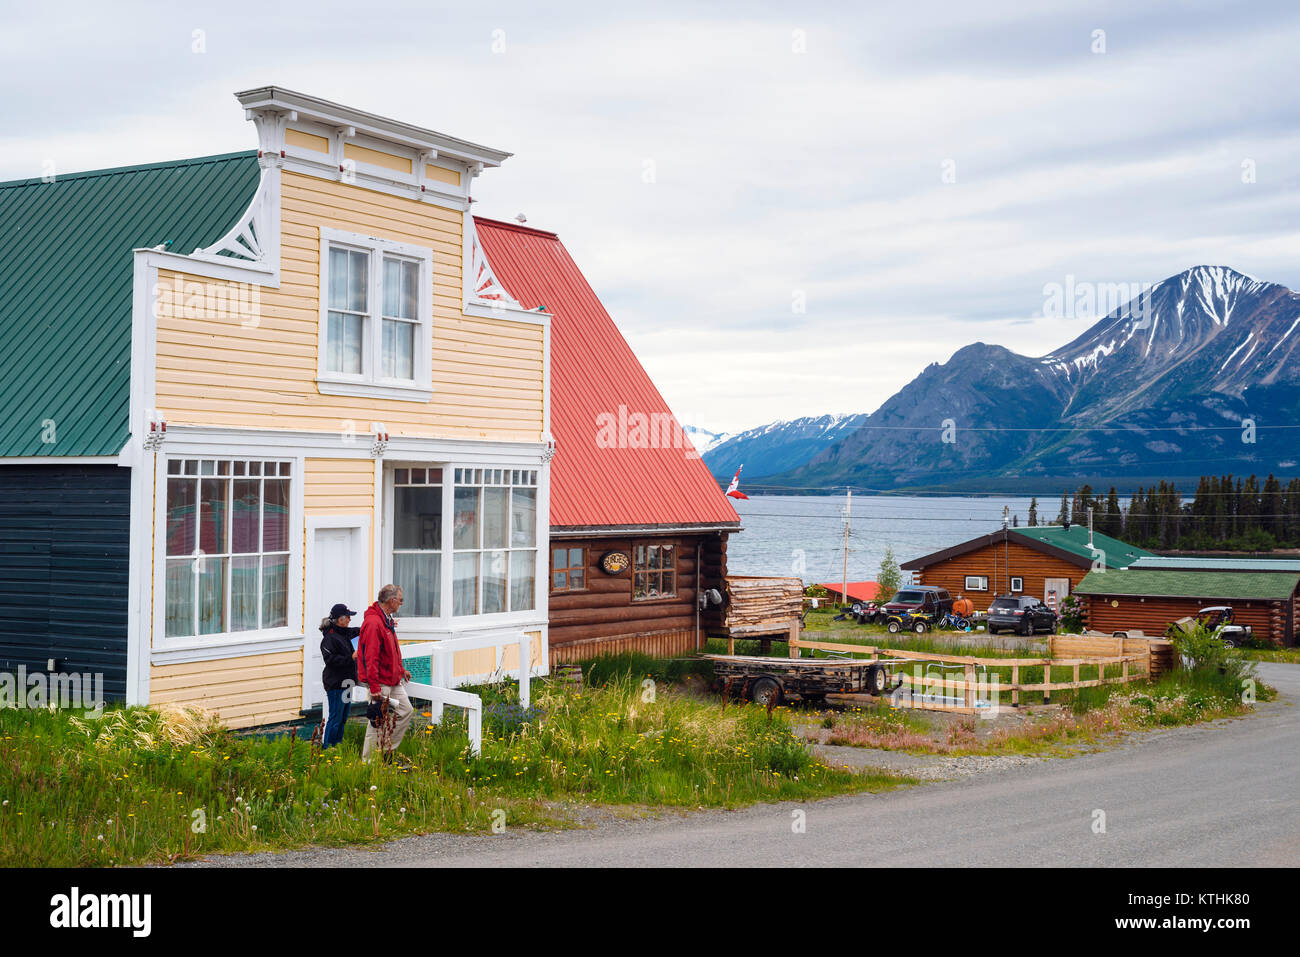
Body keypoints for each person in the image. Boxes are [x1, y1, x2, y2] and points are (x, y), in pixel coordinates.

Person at [356, 584, 413, 762]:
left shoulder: (385, 619)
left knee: (406, 710)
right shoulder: (374, 623)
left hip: (392, 679)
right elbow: (370, 657)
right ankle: (369, 763)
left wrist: (401, 669)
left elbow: (390, 651)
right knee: (377, 722)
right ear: (391, 601)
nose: (401, 604)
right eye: (400, 600)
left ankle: (386, 750)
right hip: (380, 682)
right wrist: (373, 686)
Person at [319, 603, 360, 748]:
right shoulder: (329, 638)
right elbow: (330, 660)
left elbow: (360, 631)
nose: (350, 619)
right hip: (337, 684)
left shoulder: (344, 632)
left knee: (342, 718)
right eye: (347, 617)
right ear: (340, 619)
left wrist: (387, 625)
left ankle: (337, 747)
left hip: (347, 682)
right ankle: (327, 749)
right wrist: (352, 658)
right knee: (335, 717)